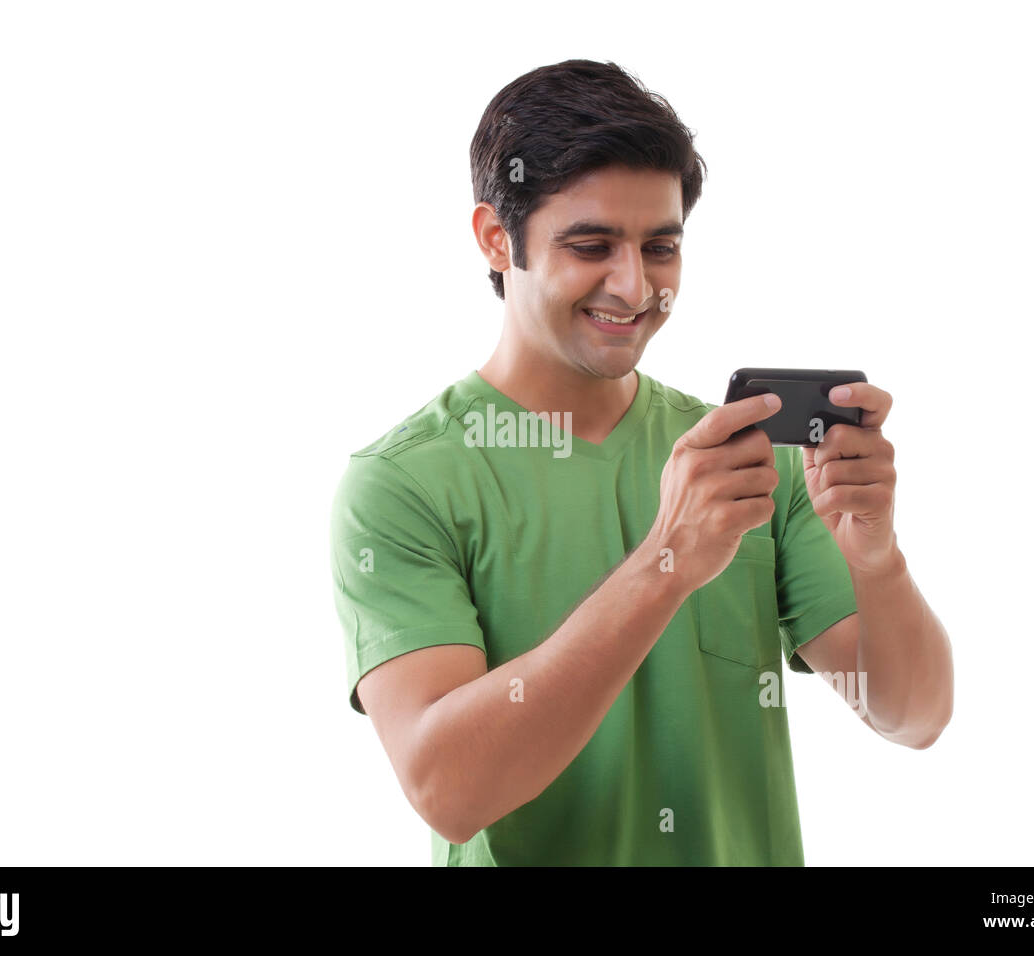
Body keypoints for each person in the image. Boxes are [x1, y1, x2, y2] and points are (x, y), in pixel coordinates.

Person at [329, 59, 953, 866]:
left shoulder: (748, 460)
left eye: (660, 247)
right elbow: (450, 790)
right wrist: (666, 564)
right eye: (592, 245)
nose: (634, 287)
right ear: (495, 237)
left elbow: (915, 717)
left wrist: (878, 558)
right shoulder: (402, 485)